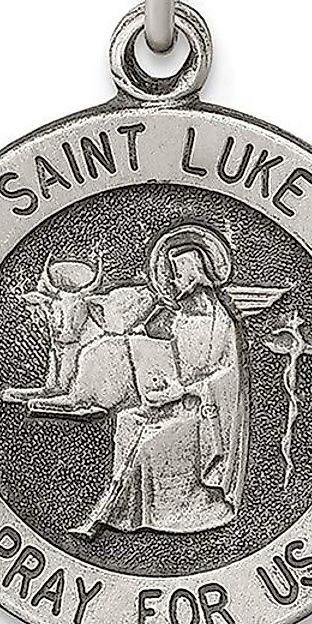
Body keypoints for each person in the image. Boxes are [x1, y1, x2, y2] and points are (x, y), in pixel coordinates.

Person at [71, 225, 249, 537]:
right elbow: (177, 364)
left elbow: (228, 378)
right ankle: (116, 513)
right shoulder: (181, 321)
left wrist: (183, 391)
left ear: (195, 275)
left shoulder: (222, 324)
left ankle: (150, 512)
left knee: (148, 443)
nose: (173, 282)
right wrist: (165, 387)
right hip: (179, 403)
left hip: (205, 415)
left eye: (178, 274)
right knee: (128, 420)